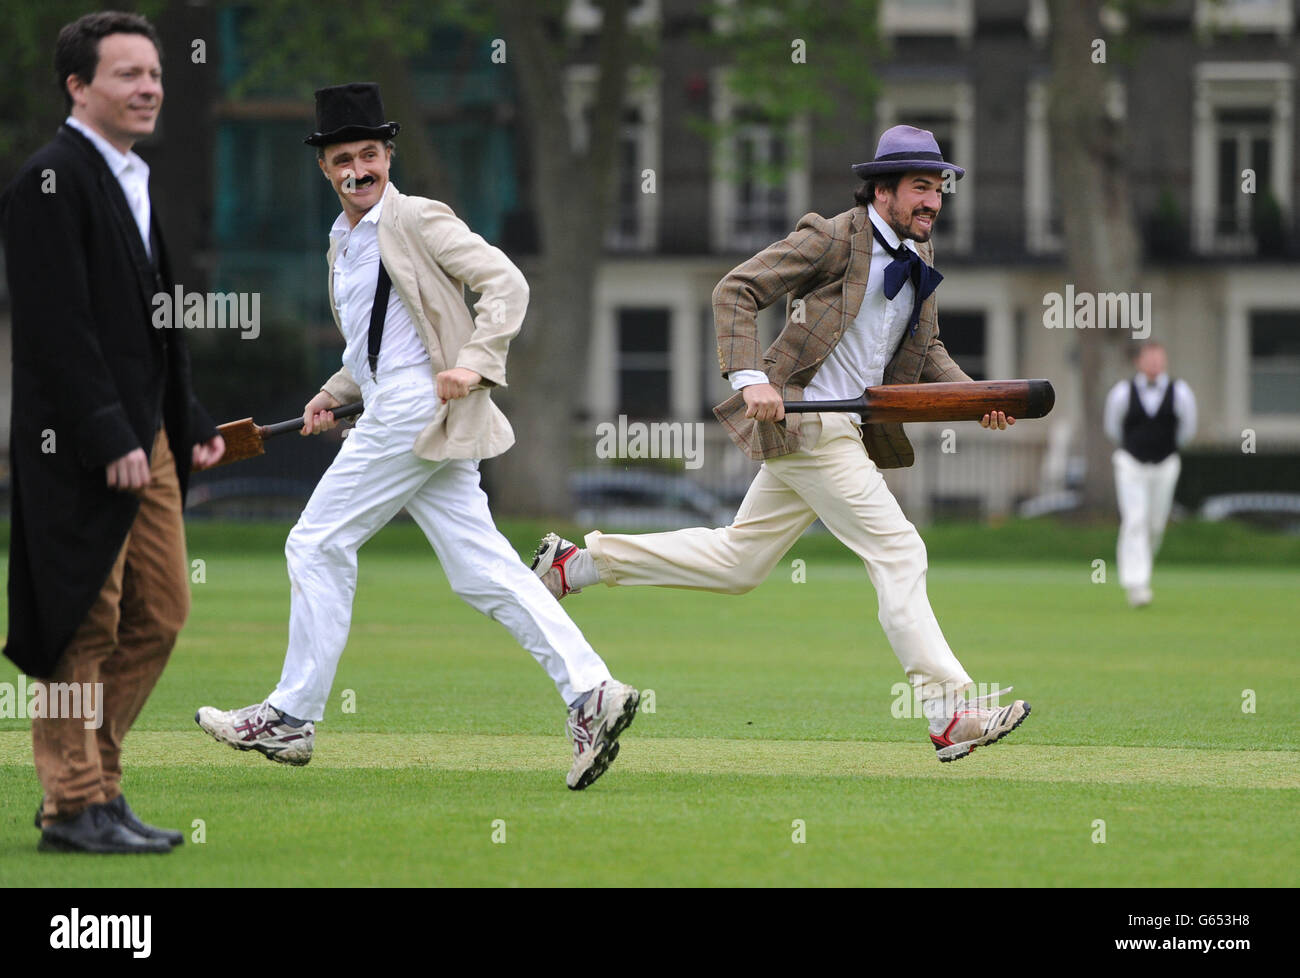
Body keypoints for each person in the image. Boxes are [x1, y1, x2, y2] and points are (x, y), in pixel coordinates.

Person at [532, 125, 1031, 762]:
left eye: (938, 190)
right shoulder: (830, 237)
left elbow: (926, 350)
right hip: (812, 427)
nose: (933, 201)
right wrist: (750, 379)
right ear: (882, 191)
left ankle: (577, 565)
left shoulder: (920, 257)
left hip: (837, 430)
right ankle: (949, 709)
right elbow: (735, 290)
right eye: (920, 189)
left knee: (739, 565)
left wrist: (976, 399)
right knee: (899, 549)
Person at [196, 83, 638, 790]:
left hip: (415, 407)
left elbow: (508, 285)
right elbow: (377, 339)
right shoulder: (342, 239)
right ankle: (592, 692)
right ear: (325, 168)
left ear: (388, 155)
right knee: (480, 569)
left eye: (369, 154)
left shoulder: (418, 218)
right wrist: (334, 392)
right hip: (397, 403)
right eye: (343, 158)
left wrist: (474, 363)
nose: (358, 169)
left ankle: (291, 714)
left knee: (315, 541)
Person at [1, 11, 225, 853]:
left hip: (149, 440)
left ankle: (96, 785)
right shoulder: (49, 181)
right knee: (79, 626)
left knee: (159, 612)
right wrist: (104, 432)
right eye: (128, 74)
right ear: (78, 87)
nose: (150, 88)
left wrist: (189, 418)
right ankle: (73, 805)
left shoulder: (129, 176)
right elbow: (56, 328)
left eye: (155, 74)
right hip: (78, 451)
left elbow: (152, 327)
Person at [1103, 341, 1196, 608]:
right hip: (1130, 463)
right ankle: (1136, 584)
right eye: (1150, 359)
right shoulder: (1122, 392)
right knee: (1135, 519)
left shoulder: (1180, 392)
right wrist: (1135, 449)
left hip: (1166, 464)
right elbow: (1113, 428)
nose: (1154, 364)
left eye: (1159, 359)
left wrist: (1165, 450)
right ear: (1139, 362)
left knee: (1154, 524)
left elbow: (1187, 430)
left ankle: (1142, 572)